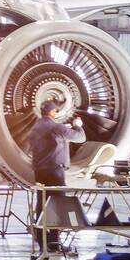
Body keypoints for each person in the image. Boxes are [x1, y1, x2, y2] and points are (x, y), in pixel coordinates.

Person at [27, 96, 86, 251]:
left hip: (39, 172)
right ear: (52, 111)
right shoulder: (55, 127)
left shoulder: (36, 126)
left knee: (42, 205)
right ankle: (54, 243)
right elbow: (80, 138)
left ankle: (43, 243)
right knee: (57, 206)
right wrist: (77, 126)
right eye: (55, 110)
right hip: (55, 172)